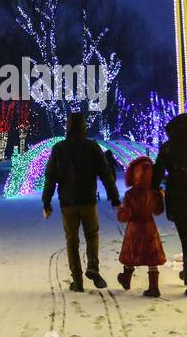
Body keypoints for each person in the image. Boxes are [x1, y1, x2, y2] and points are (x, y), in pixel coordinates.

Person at [42, 112, 120, 291]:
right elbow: (106, 174)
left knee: (72, 241)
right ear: (84, 126)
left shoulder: (59, 148)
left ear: (67, 127)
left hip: (68, 203)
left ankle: (77, 281)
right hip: (88, 201)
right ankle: (92, 266)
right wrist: (115, 199)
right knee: (92, 235)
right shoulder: (92, 147)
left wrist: (46, 202)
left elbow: (50, 177)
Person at [151, 112, 187, 297]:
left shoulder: (168, 147)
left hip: (179, 195)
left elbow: (157, 174)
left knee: (186, 240)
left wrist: (154, 187)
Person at [116, 155, 167, 298]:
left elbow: (125, 216)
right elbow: (158, 212)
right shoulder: (154, 193)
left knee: (131, 254)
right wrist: (160, 197)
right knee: (151, 256)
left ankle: (126, 278)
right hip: (149, 226)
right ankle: (154, 287)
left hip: (134, 229)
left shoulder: (130, 194)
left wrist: (121, 212)